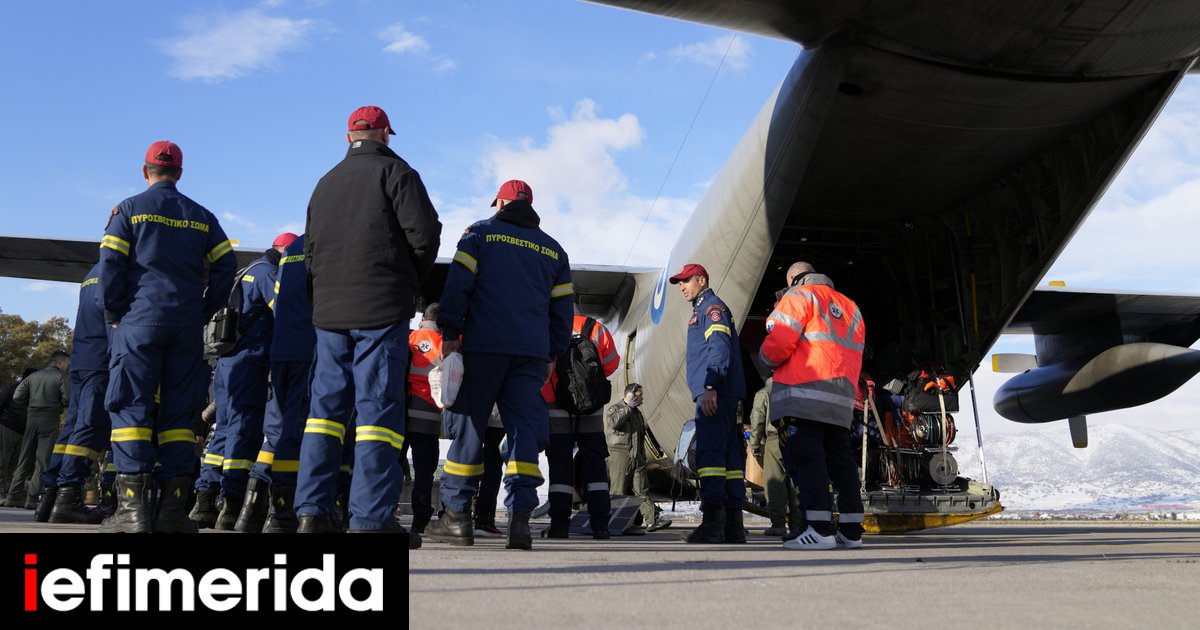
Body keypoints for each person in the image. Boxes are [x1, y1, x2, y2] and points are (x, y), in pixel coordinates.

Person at [294, 105, 440, 544]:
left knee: (323, 416)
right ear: (385, 135)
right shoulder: (397, 174)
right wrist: (405, 284)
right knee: (377, 413)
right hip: (380, 310)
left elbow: (310, 249)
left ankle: (311, 514)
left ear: (348, 137)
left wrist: (322, 298)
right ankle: (370, 520)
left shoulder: (325, 183)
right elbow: (424, 236)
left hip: (329, 314)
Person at [98, 140, 237, 533]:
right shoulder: (202, 217)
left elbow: (110, 263)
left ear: (145, 171)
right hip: (186, 327)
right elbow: (227, 265)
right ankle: (172, 512)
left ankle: (132, 513)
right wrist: (205, 309)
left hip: (138, 322)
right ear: (179, 173)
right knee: (178, 416)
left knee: (130, 409)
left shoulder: (128, 210)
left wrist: (114, 313)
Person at [426, 179, 572, 550]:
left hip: (483, 348)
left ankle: (457, 516)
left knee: (470, 427)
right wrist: (552, 353)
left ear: (502, 203)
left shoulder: (480, 234)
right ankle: (520, 521)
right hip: (530, 355)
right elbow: (562, 312)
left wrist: (451, 332)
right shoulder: (554, 251)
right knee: (524, 433)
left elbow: (458, 286)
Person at [760, 261, 866, 550]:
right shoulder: (851, 307)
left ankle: (820, 530)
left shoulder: (798, 296)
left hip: (804, 396)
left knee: (808, 461)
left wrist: (765, 360)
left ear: (794, 278)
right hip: (841, 400)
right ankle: (851, 531)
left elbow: (778, 342)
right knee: (841, 463)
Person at [195, 232, 291, 530]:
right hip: (250, 362)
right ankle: (232, 504)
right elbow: (284, 310)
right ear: (284, 251)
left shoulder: (244, 271)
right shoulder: (267, 273)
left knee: (223, 430)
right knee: (243, 429)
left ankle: (205, 500)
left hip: (227, 362)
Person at [234, 233, 313, 533]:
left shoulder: (286, 258)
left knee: (274, 432)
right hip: (306, 349)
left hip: (279, 351)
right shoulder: (319, 246)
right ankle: (280, 514)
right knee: (294, 429)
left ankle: (249, 511)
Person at [669, 263, 747, 544]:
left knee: (711, 456)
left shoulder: (711, 309)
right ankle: (734, 526)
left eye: (686, 280)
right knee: (730, 460)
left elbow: (719, 346)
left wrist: (711, 385)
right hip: (725, 394)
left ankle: (713, 524)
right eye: (679, 282)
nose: (682, 286)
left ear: (701, 280)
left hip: (715, 393)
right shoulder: (704, 310)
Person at [541, 309, 619, 539]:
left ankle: (559, 525)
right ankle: (600, 525)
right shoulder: (596, 329)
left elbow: (540, 366)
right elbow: (612, 364)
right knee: (595, 466)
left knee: (560, 467)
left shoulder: (547, 327)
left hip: (557, 407)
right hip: (590, 409)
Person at [45, 264, 113, 524]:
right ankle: (68, 497)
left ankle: (50, 496)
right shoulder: (117, 269)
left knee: (72, 428)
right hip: (101, 360)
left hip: (82, 359)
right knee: (90, 426)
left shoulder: (91, 273)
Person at [3, 352, 69, 513]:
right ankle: (32, 499)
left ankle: (13, 496)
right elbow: (68, 399)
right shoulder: (61, 377)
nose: (68, 366)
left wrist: (30, 404)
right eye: (67, 363)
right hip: (50, 419)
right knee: (42, 461)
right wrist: (58, 404)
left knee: (24, 459)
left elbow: (17, 396)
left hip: (31, 418)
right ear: (61, 362)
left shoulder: (33, 376)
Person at [605, 383, 672, 533]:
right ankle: (614, 523)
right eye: (639, 395)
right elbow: (613, 422)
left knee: (641, 490)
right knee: (618, 490)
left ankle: (652, 520)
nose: (642, 398)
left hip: (637, 456)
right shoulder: (615, 409)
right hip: (621, 455)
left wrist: (641, 456)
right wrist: (628, 408)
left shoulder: (637, 414)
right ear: (630, 395)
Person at [405, 302, 444, 535]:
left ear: (423, 319)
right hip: (428, 418)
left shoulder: (409, 338)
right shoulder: (445, 343)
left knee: (393, 465)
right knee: (424, 472)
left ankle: (385, 512)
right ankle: (419, 521)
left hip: (402, 414)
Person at [749, 377, 803, 536]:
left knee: (775, 484)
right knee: (796, 484)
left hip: (775, 440)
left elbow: (757, 420)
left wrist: (755, 446)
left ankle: (778, 525)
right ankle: (797, 525)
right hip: (796, 439)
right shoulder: (796, 389)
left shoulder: (764, 393)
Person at [0, 368, 36, 499]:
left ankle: (8, 493)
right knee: (2, 461)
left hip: (23, 431)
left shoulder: (35, 393)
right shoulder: (12, 389)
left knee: (15, 463)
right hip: (7, 427)